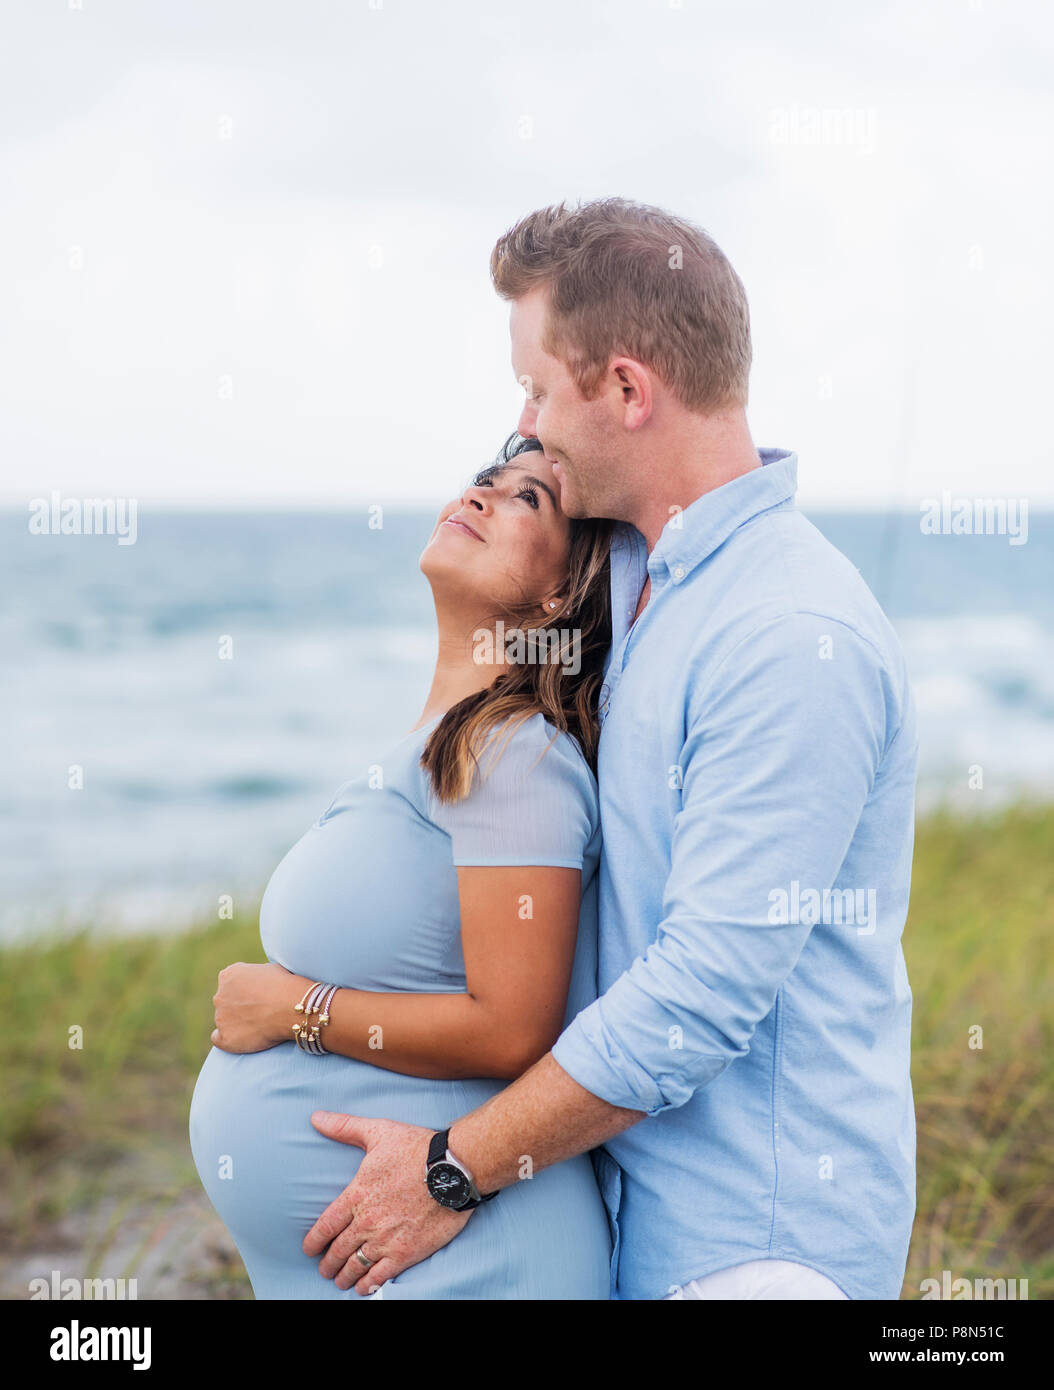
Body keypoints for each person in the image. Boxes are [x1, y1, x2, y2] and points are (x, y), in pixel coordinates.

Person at [300, 197, 919, 1302]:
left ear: (628, 390)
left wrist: (449, 1171)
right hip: (633, 1227)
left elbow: (698, 997)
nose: (526, 426)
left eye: (537, 390)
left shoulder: (787, 635)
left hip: (755, 1256)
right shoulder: (640, 578)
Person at [189, 432, 616, 1298]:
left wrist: (296, 1010)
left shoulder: (515, 757)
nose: (483, 494)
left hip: (482, 1260)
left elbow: (513, 1028)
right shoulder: (450, 748)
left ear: (560, 595)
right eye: (484, 480)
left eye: (526, 496)